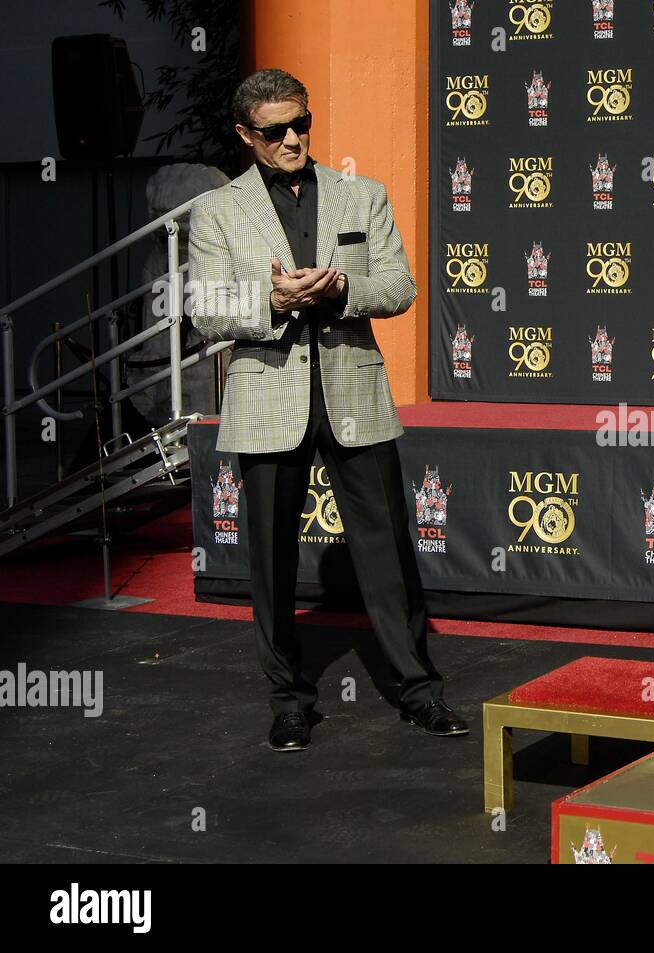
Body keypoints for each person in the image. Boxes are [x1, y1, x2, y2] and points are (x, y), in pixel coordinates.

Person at [189, 68, 467, 750]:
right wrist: (274, 301)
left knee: (388, 552)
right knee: (272, 558)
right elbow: (203, 310)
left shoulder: (360, 194)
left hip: (354, 393)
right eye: (276, 130)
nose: (293, 139)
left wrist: (342, 288)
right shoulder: (218, 211)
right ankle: (289, 699)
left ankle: (419, 691)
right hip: (266, 399)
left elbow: (399, 285)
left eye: (302, 124)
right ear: (246, 135)